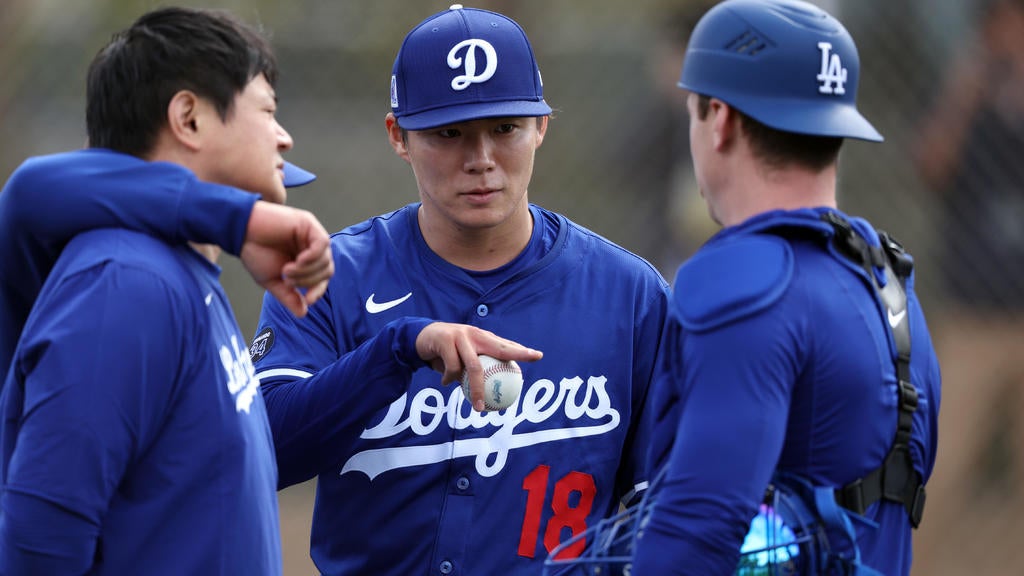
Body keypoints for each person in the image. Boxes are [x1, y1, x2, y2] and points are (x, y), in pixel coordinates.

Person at [0, 6, 540, 574]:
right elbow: (42, 541)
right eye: (267, 111)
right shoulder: (125, 286)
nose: (284, 136)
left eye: (505, 128)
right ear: (189, 117)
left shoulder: (178, 275)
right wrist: (239, 221)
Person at [249, 5, 670, 575]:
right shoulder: (330, 276)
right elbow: (260, 452)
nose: (481, 160)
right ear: (399, 135)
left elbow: (666, 503)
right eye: (449, 133)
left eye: (505, 129)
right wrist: (394, 351)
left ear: (541, 126)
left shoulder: (630, 294)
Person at [627, 1, 941, 574]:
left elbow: (700, 523)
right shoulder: (888, 279)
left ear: (718, 118)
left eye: (692, 111)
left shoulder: (742, 279)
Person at [912, 0, 1024, 572]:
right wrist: (968, 87)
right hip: (975, 316)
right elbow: (932, 164)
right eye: (1000, 21)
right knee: (943, 465)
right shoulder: (970, 98)